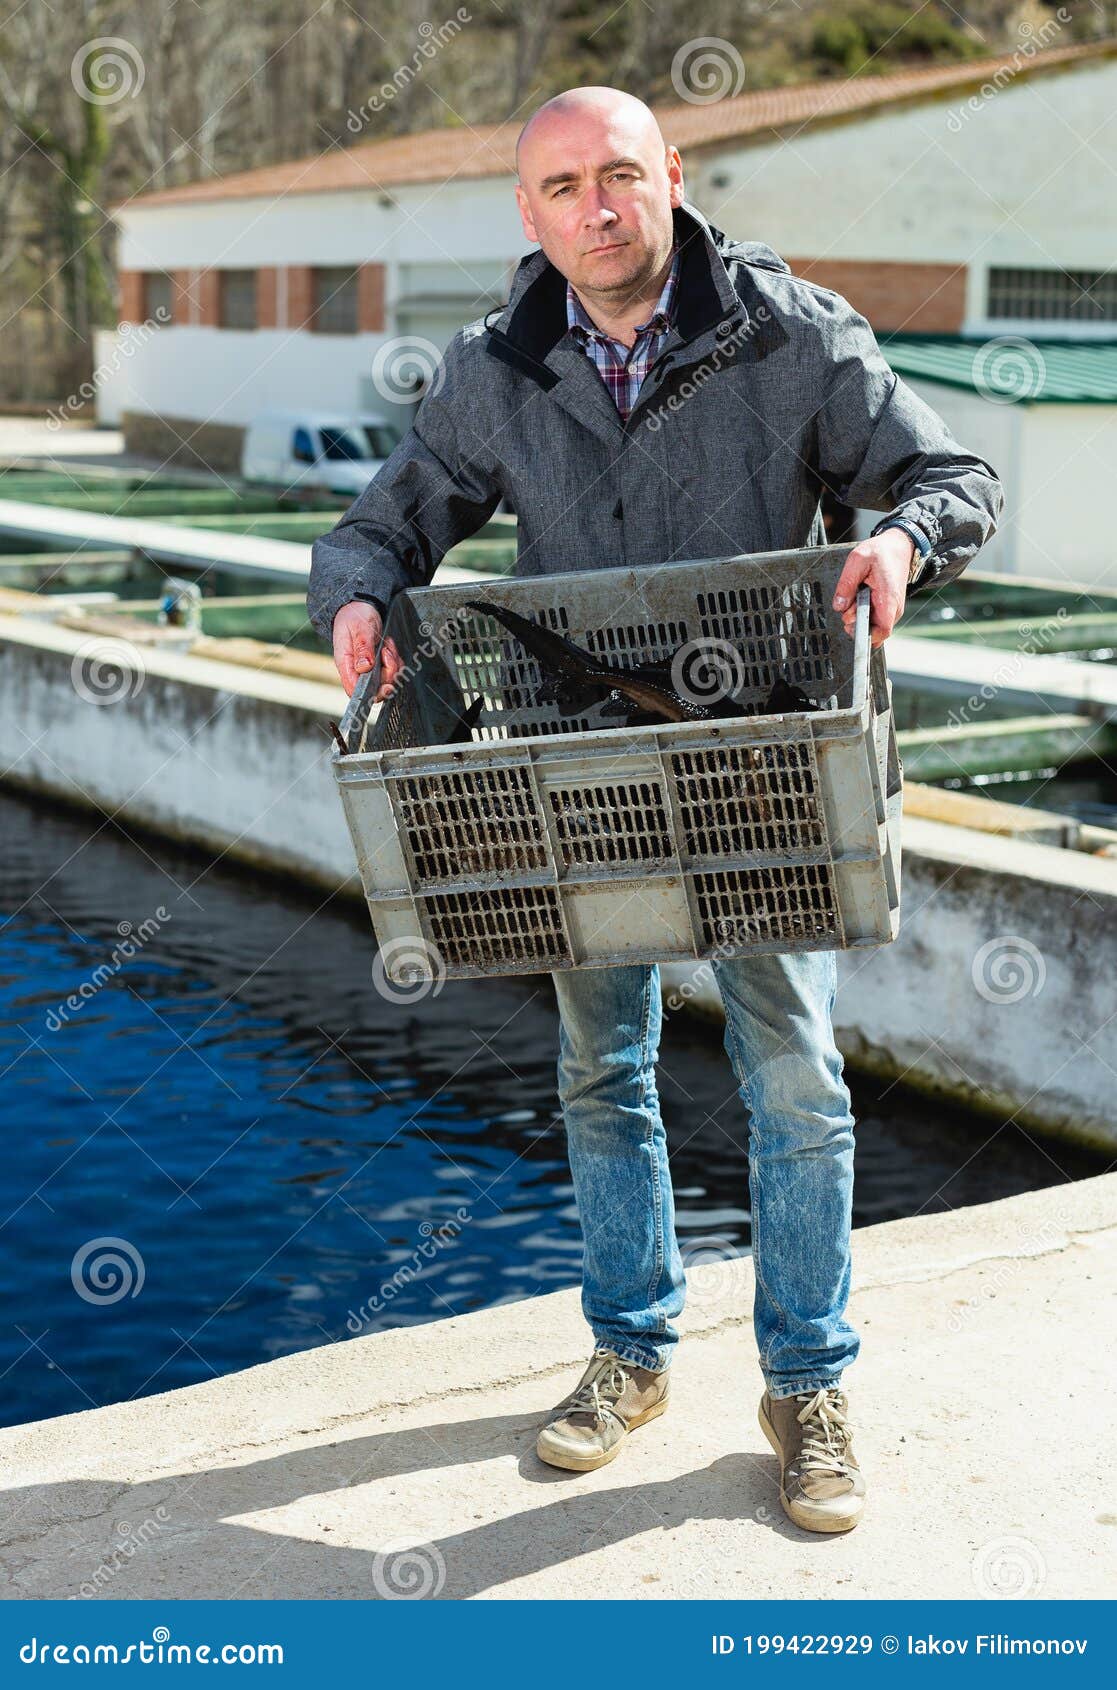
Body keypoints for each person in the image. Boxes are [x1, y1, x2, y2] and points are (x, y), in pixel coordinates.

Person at [306, 86, 1003, 1535]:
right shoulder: (497, 366)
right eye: (563, 188)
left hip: (762, 771)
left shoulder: (791, 334)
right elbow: (388, 517)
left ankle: (806, 1384)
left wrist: (897, 540)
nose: (598, 209)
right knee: (599, 1072)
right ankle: (628, 1352)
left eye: (620, 176)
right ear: (529, 213)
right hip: (580, 778)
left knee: (793, 1079)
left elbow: (952, 476)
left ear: (671, 176)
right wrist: (360, 594)